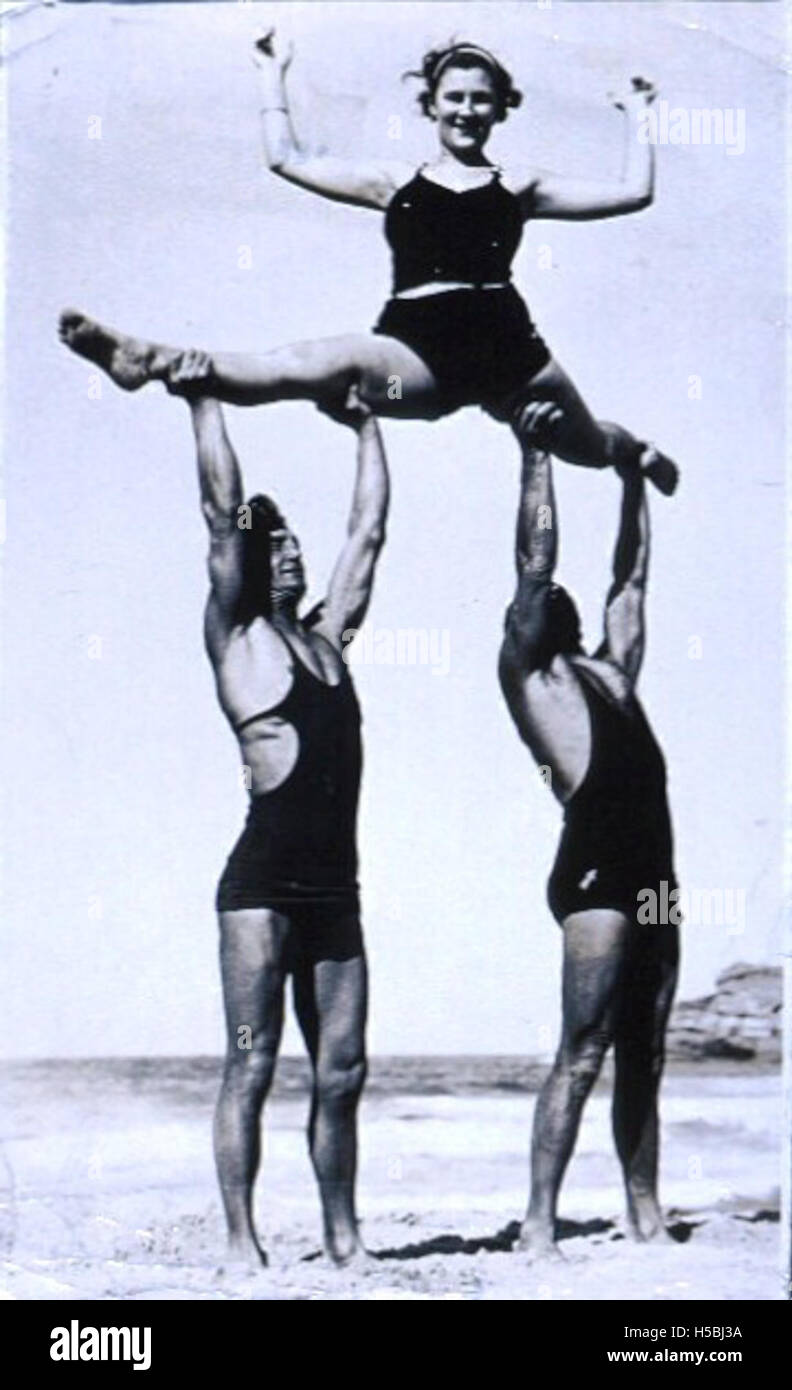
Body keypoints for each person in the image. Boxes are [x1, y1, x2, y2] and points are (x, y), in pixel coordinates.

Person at [58, 34, 677, 496]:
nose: (466, 110)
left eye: (480, 100)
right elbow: (287, 159)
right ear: (431, 106)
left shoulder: (520, 184)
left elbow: (633, 193)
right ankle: (150, 359)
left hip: (509, 347)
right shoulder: (393, 181)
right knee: (307, 366)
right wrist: (271, 74)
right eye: (453, 97)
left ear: (499, 109)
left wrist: (641, 113)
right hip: (416, 346)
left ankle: (639, 452)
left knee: (591, 447)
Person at [173, 359, 389, 1268]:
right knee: (252, 1064)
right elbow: (224, 518)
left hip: (334, 891)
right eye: (279, 545)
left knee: (342, 1072)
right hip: (259, 890)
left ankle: (345, 1241)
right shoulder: (241, 638)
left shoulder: (327, 639)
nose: (293, 552)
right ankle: (240, 1242)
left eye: (296, 541)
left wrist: (366, 426)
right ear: (254, 566)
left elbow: (368, 535)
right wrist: (204, 401)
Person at [498, 402, 679, 1257]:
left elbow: (632, 583)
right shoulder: (536, 680)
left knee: (645, 1050)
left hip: (655, 880)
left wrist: (632, 480)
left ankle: (645, 1212)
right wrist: (535, 457)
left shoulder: (613, 674)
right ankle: (539, 1223)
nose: (535, 608)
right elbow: (536, 567)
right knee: (584, 1049)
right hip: (597, 878)